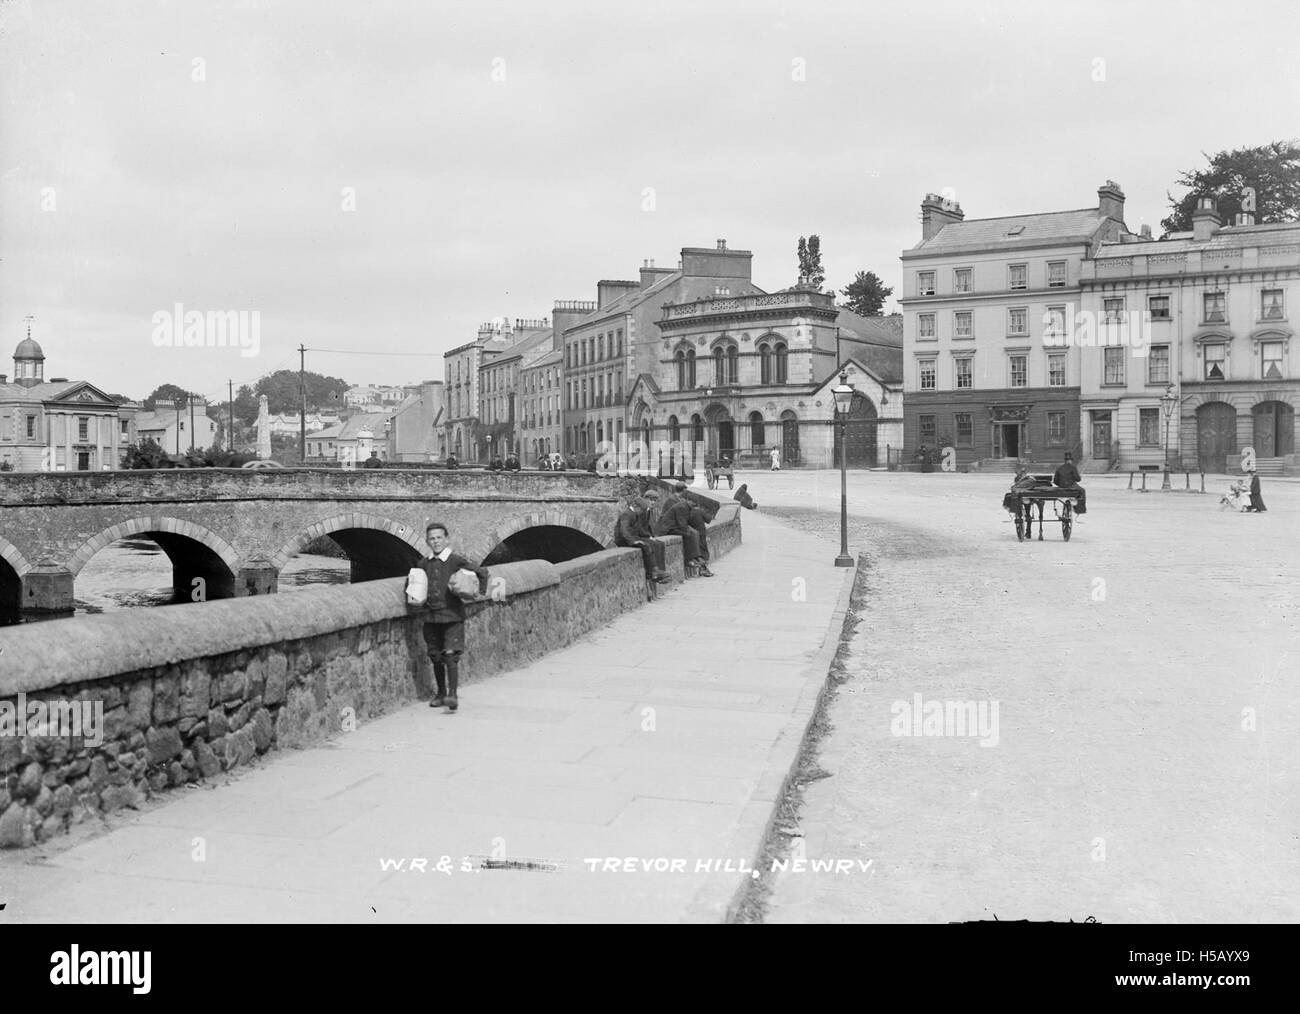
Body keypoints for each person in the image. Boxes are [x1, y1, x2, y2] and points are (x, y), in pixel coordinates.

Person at [412, 521, 490, 713]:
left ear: (446, 539)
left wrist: (479, 591)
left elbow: (482, 572)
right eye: (432, 538)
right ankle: (440, 693)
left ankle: (452, 695)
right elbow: (414, 584)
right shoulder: (423, 564)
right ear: (427, 541)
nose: (436, 541)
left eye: (439, 537)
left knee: (450, 655)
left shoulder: (456, 560)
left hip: (452, 616)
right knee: (436, 656)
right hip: (430, 617)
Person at [652, 483, 706, 575]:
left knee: (694, 533)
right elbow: (682, 523)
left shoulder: (683, 505)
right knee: (688, 534)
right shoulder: (681, 505)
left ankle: (696, 556)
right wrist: (688, 530)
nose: (694, 506)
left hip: (673, 526)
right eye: (694, 504)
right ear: (689, 501)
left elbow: (683, 521)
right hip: (668, 528)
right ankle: (690, 558)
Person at [615, 491, 668, 584]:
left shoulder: (635, 513)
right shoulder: (627, 514)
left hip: (633, 537)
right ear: (636, 507)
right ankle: (652, 572)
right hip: (624, 540)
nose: (641, 512)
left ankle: (656, 571)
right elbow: (624, 531)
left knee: (650, 545)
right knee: (646, 546)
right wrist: (633, 541)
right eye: (641, 510)